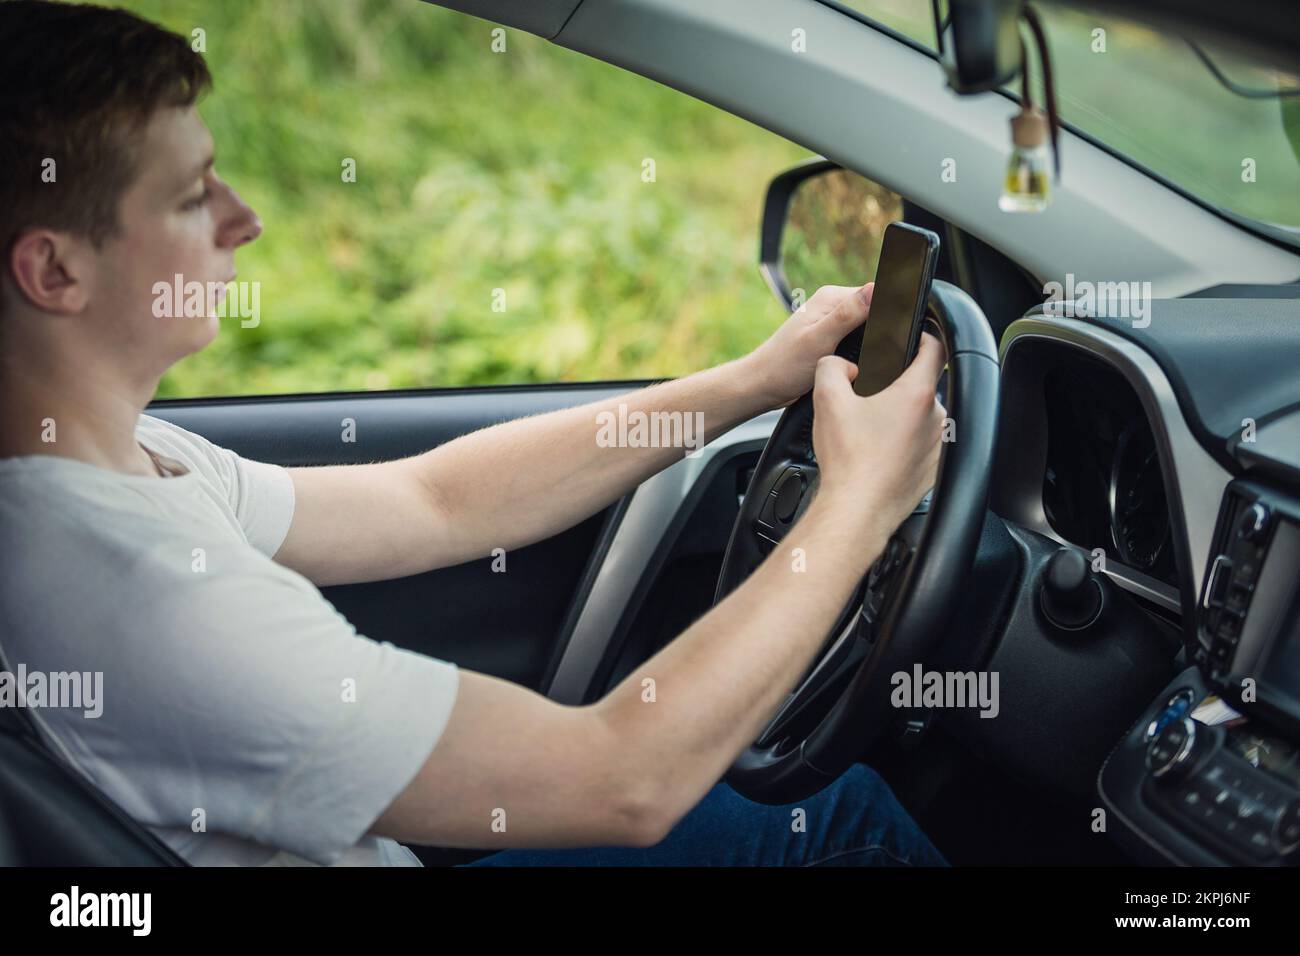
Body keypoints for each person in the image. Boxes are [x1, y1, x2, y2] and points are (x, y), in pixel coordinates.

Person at [0, 0, 948, 867]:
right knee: (838, 825)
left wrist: (753, 380)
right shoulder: (154, 604)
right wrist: (861, 502)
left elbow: (434, 502)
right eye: (192, 195)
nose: (244, 220)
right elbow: (623, 780)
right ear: (54, 272)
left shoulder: (118, 466)